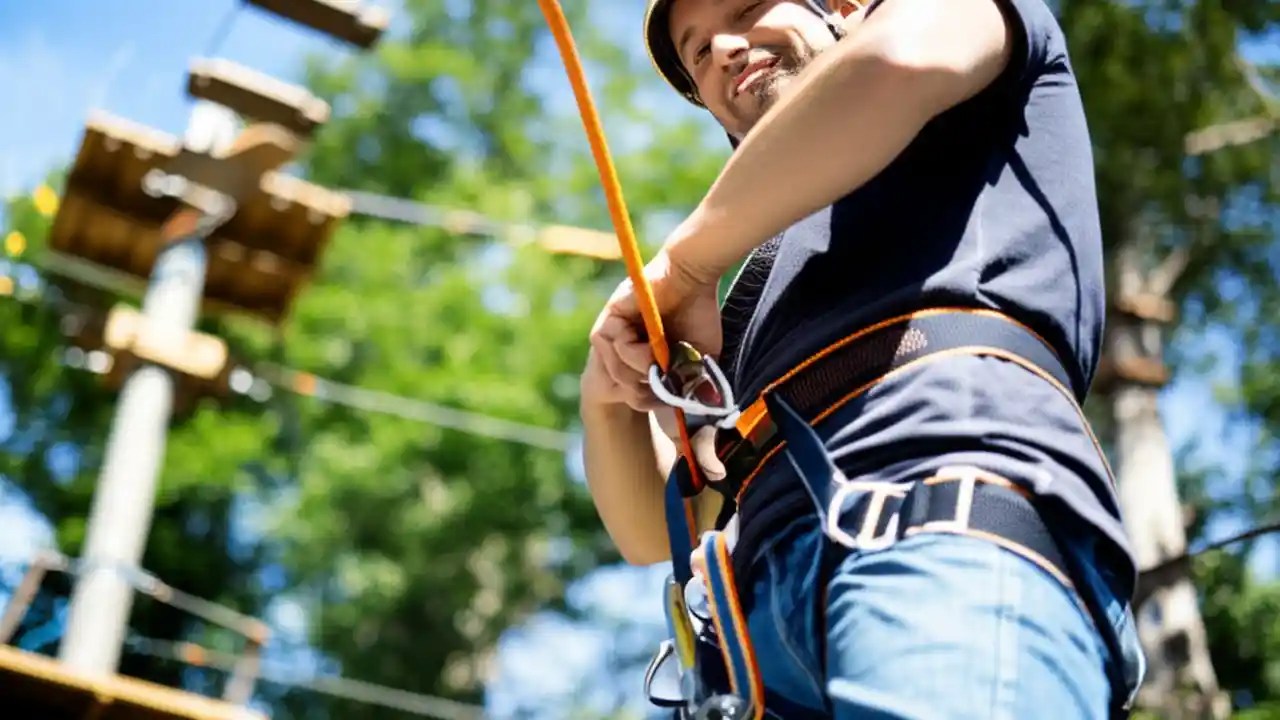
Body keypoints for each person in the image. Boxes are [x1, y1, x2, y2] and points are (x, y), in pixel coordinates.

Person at [578, 0, 1146, 717]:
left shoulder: (961, 36)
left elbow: (893, 62)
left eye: (749, 7)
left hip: (944, 537)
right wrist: (606, 396)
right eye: (696, 55)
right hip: (765, 664)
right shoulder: (760, 291)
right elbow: (649, 532)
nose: (722, 46)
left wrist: (684, 267)